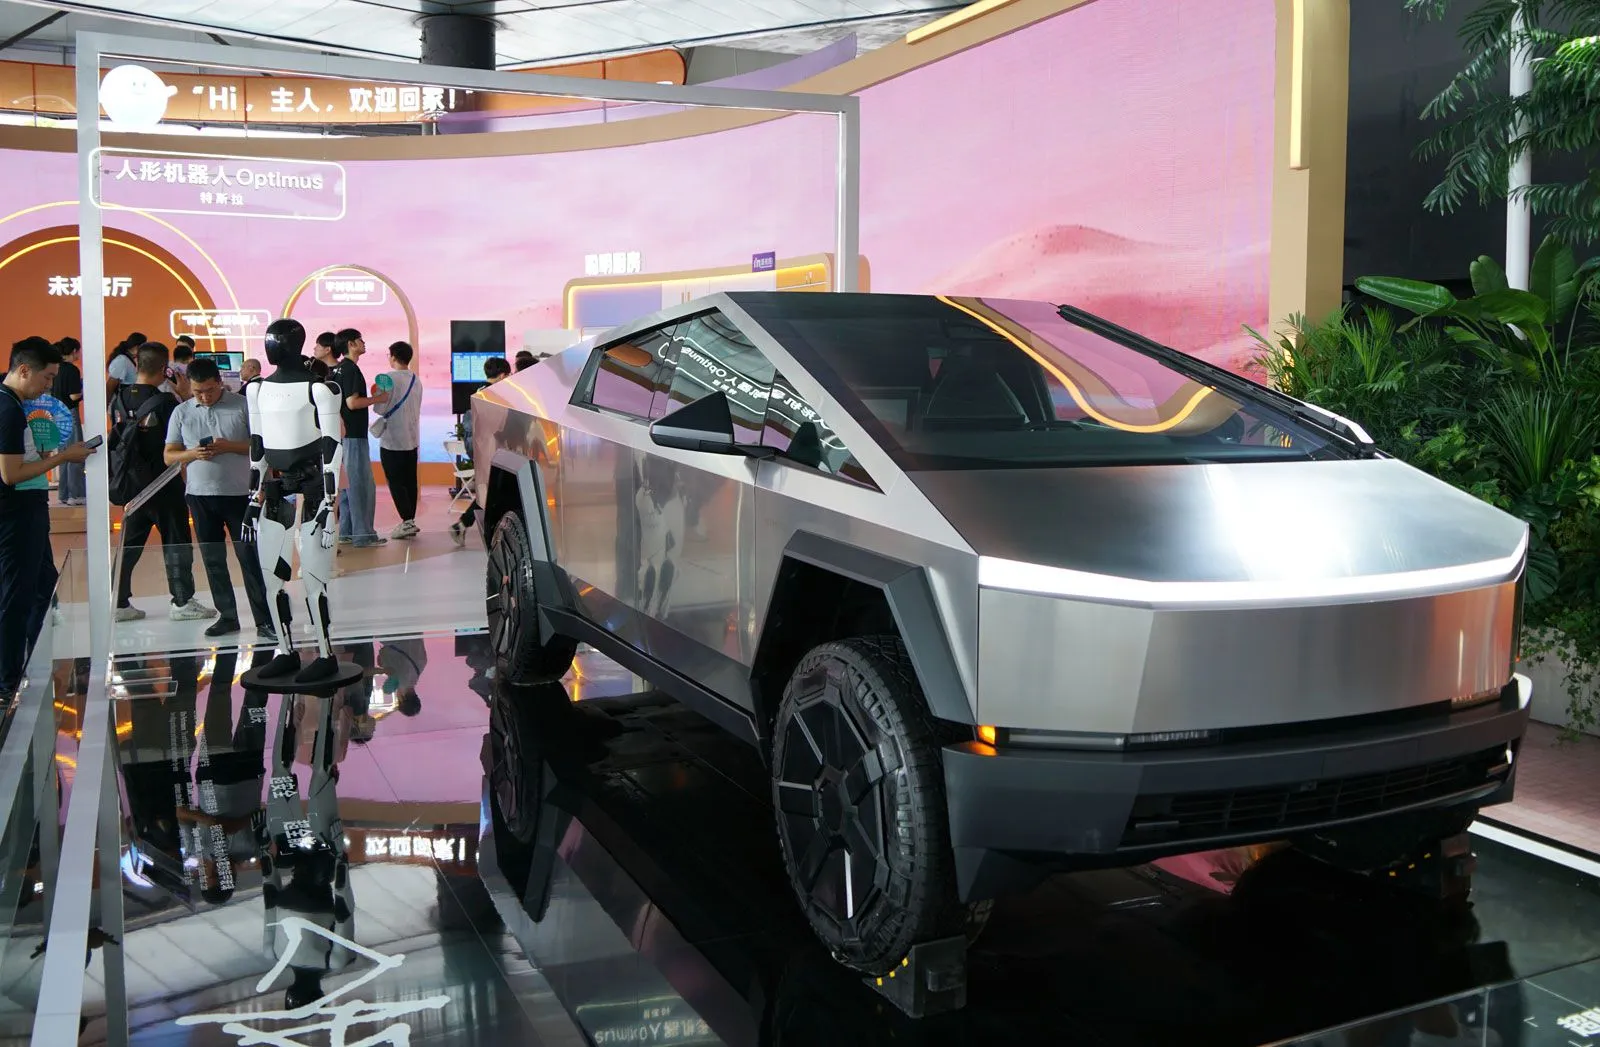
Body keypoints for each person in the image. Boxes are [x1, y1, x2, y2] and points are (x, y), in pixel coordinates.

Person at [0, 339, 97, 701]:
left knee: (43, 584)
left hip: (28, 508)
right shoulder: (8, 409)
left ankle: (29, 659)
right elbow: (11, 474)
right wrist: (63, 457)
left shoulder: (12, 400)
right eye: (47, 378)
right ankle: (7, 682)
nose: (49, 387)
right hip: (16, 511)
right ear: (24, 370)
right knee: (16, 595)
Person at [165, 357, 274, 640]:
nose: (203, 396)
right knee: (213, 560)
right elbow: (169, 455)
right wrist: (193, 454)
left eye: (209, 390)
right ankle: (227, 617)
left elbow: (262, 446)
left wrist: (230, 447)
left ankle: (264, 620)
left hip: (239, 494)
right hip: (200, 496)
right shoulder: (181, 412)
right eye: (198, 391)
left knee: (249, 557)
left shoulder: (242, 405)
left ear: (220, 383)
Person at [114, 342, 215, 624]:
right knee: (176, 542)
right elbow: (187, 436)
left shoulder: (118, 399)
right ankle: (182, 601)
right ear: (164, 369)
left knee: (130, 545)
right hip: (163, 482)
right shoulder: (167, 403)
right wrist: (184, 396)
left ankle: (119, 602)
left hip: (132, 485)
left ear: (137, 365)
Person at [331, 328, 389, 548]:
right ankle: (363, 535)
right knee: (361, 485)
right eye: (360, 341)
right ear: (351, 344)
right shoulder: (351, 370)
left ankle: (347, 532)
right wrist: (378, 398)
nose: (364, 344)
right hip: (354, 435)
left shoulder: (337, 370)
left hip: (342, 436)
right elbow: (352, 403)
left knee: (346, 487)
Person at [449, 356, 511, 547]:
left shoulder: (478, 392)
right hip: (494, 451)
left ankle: (464, 525)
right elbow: (501, 426)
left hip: (480, 451)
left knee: (491, 492)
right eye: (508, 376)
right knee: (494, 493)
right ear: (501, 376)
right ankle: (486, 533)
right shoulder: (495, 396)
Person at [375, 342, 423, 540]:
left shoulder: (388, 378)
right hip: (412, 438)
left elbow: (379, 408)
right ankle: (410, 519)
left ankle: (406, 521)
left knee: (395, 481)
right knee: (410, 479)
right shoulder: (416, 380)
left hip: (392, 439)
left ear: (393, 356)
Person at [52, 337, 86, 507]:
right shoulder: (72, 370)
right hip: (70, 413)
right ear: (73, 351)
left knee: (63, 454)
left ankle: (64, 493)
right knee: (75, 452)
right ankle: (77, 493)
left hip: (56, 413)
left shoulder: (56, 368)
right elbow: (74, 396)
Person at [107, 330, 144, 397]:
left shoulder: (129, 361)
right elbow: (110, 388)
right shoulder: (122, 361)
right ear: (136, 347)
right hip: (120, 405)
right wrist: (105, 407)